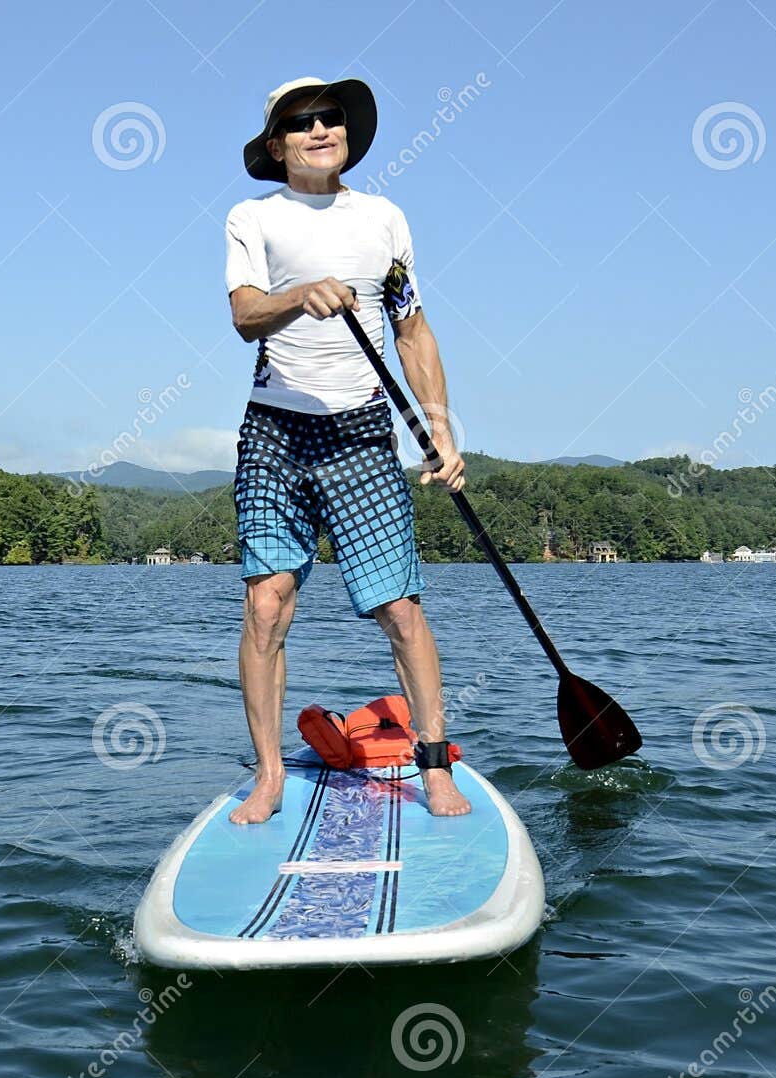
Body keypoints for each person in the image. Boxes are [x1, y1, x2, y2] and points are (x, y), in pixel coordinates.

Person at [224, 75, 470, 823]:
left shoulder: (385, 221)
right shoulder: (253, 217)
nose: (320, 129)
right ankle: (268, 776)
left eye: (330, 117)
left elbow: (411, 328)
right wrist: (301, 295)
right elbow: (243, 314)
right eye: (302, 123)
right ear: (278, 145)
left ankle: (433, 767)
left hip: (363, 434)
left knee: (400, 609)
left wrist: (440, 425)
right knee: (267, 605)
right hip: (275, 428)